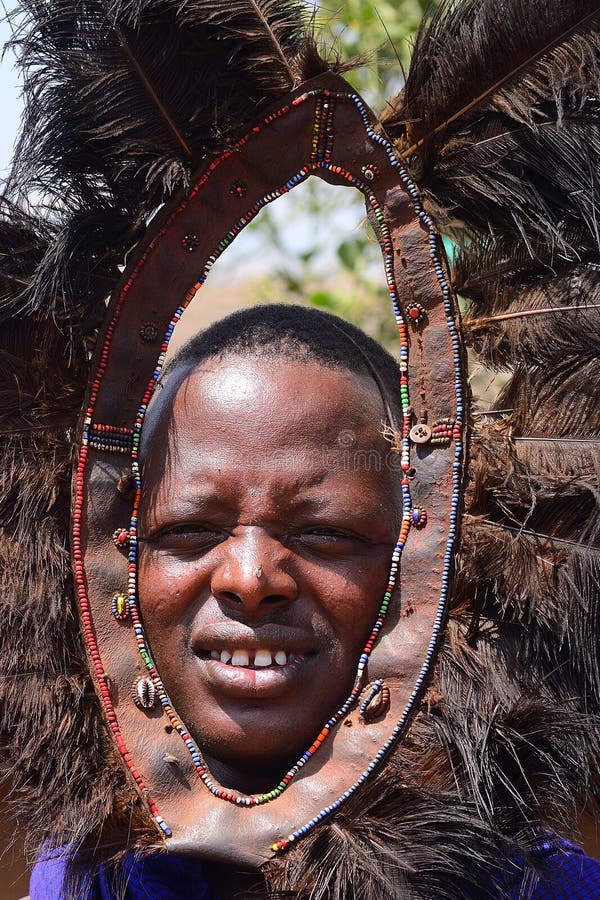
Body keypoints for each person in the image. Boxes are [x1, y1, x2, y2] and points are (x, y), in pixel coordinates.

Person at [1, 1, 599, 898]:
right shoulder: (75, 877)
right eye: (190, 531)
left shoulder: (538, 885)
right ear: (121, 559)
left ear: (423, 561)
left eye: (323, 536)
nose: (251, 579)